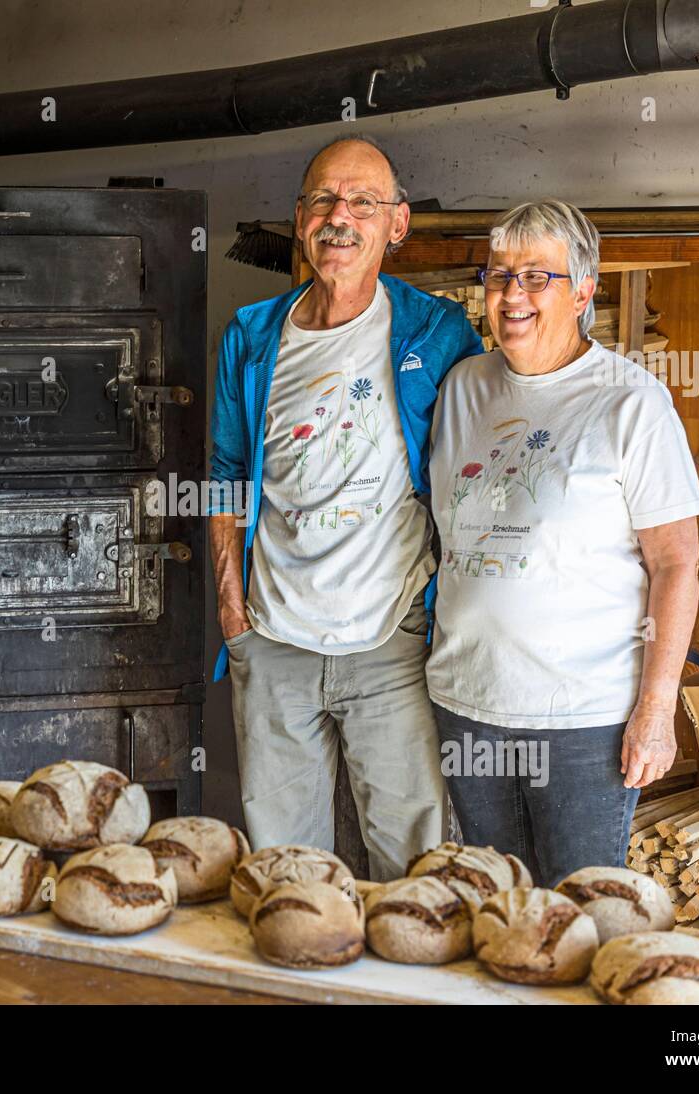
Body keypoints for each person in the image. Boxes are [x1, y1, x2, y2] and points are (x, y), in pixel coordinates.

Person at [206, 135, 483, 879]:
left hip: (389, 639)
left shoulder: (438, 332)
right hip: (272, 638)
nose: (340, 216)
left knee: (414, 867)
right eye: (324, 199)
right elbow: (224, 473)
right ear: (299, 219)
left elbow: (475, 470)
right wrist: (232, 606)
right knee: (285, 869)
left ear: (396, 226)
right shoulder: (253, 336)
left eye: (363, 202)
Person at [427, 199, 699, 885]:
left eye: (536, 278)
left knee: (584, 918)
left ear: (584, 292)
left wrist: (656, 709)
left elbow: (676, 564)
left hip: (583, 720)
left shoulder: (631, 402)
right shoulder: (464, 388)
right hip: (469, 704)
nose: (511, 294)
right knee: (497, 910)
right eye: (499, 276)